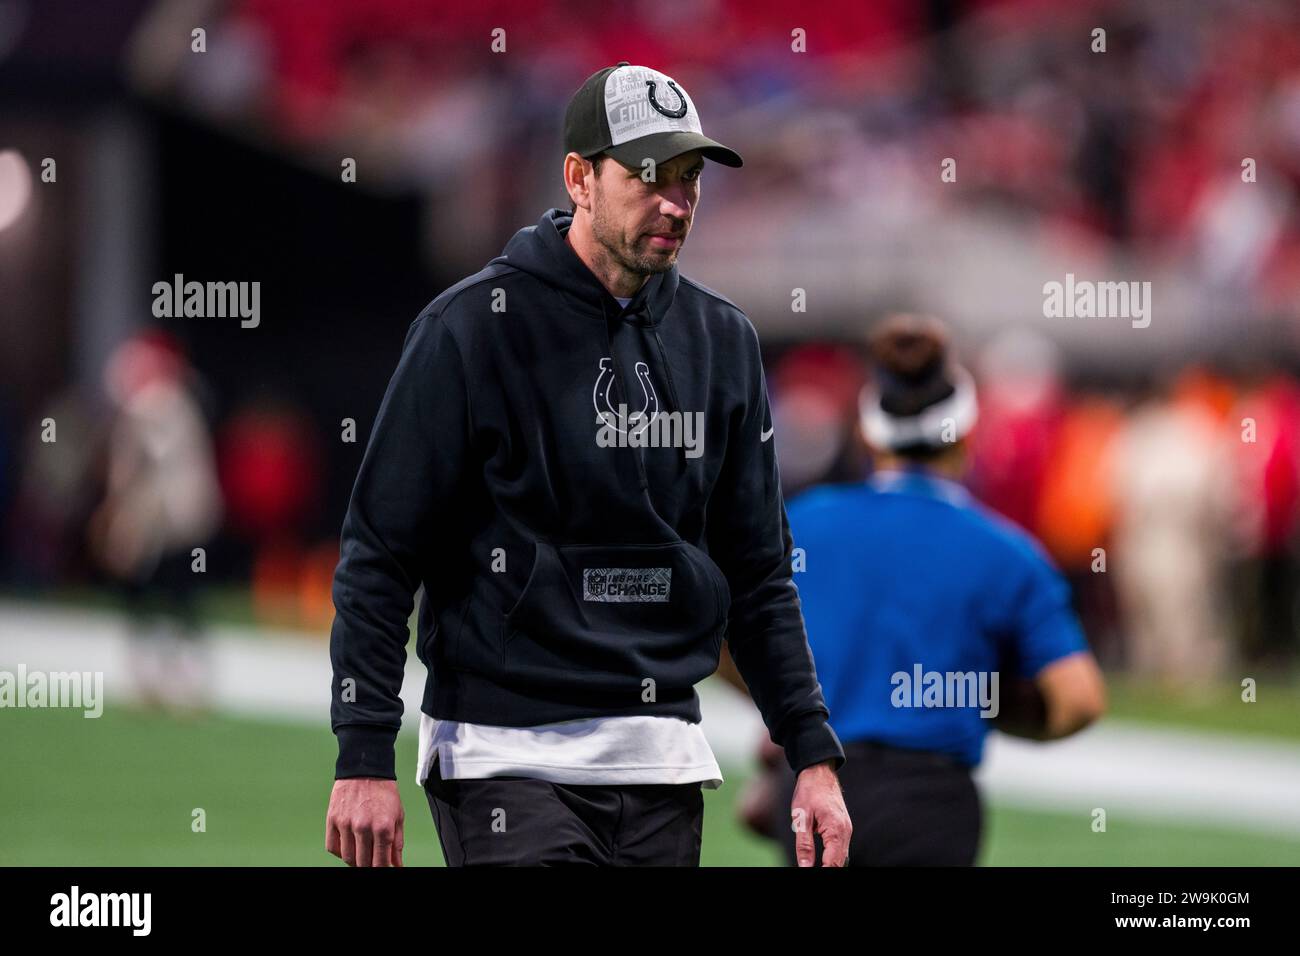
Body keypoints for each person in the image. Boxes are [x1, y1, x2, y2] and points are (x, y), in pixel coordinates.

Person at [325, 62, 850, 867]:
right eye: (648, 176)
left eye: (689, 178)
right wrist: (363, 753)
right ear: (579, 177)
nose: (676, 202)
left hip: (662, 753)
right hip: (504, 753)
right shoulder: (471, 330)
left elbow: (759, 574)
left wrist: (811, 753)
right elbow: (380, 554)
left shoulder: (723, 342)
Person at [742, 315, 1105, 866]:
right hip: (930, 800)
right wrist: (973, 698)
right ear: (965, 433)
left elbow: (723, 636)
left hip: (814, 783)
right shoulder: (1005, 551)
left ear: (867, 431)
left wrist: (789, 707)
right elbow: (1078, 699)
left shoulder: (803, 524)